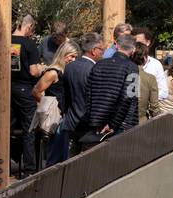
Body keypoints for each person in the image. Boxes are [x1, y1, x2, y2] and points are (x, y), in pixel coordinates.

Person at [75, 29, 141, 147]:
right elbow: (128, 98)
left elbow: (89, 95)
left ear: (116, 45)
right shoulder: (132, 68)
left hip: (97, 125)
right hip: (123, 125)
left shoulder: (98, 65)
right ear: (134, 49)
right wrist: (112, 124)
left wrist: (96, 120)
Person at [51, 30, 103, 162]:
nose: (102, 53)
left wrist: (66, 113)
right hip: (88, 125)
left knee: (70, 160)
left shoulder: (69, 67)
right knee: (87, 162)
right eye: (101, 49)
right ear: (94, 50)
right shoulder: (95, 70)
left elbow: (64, 96)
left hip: (71, 122)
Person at [9, 13, 43, 177]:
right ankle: (29, 169)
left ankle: (6, 162)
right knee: (29, 128)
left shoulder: (6, 41)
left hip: (6, 88)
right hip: (24, 88)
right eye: (32, 29)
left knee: (7, 127)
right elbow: (33, 71)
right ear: (28, 27)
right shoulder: (29, 44)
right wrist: (42, 69)